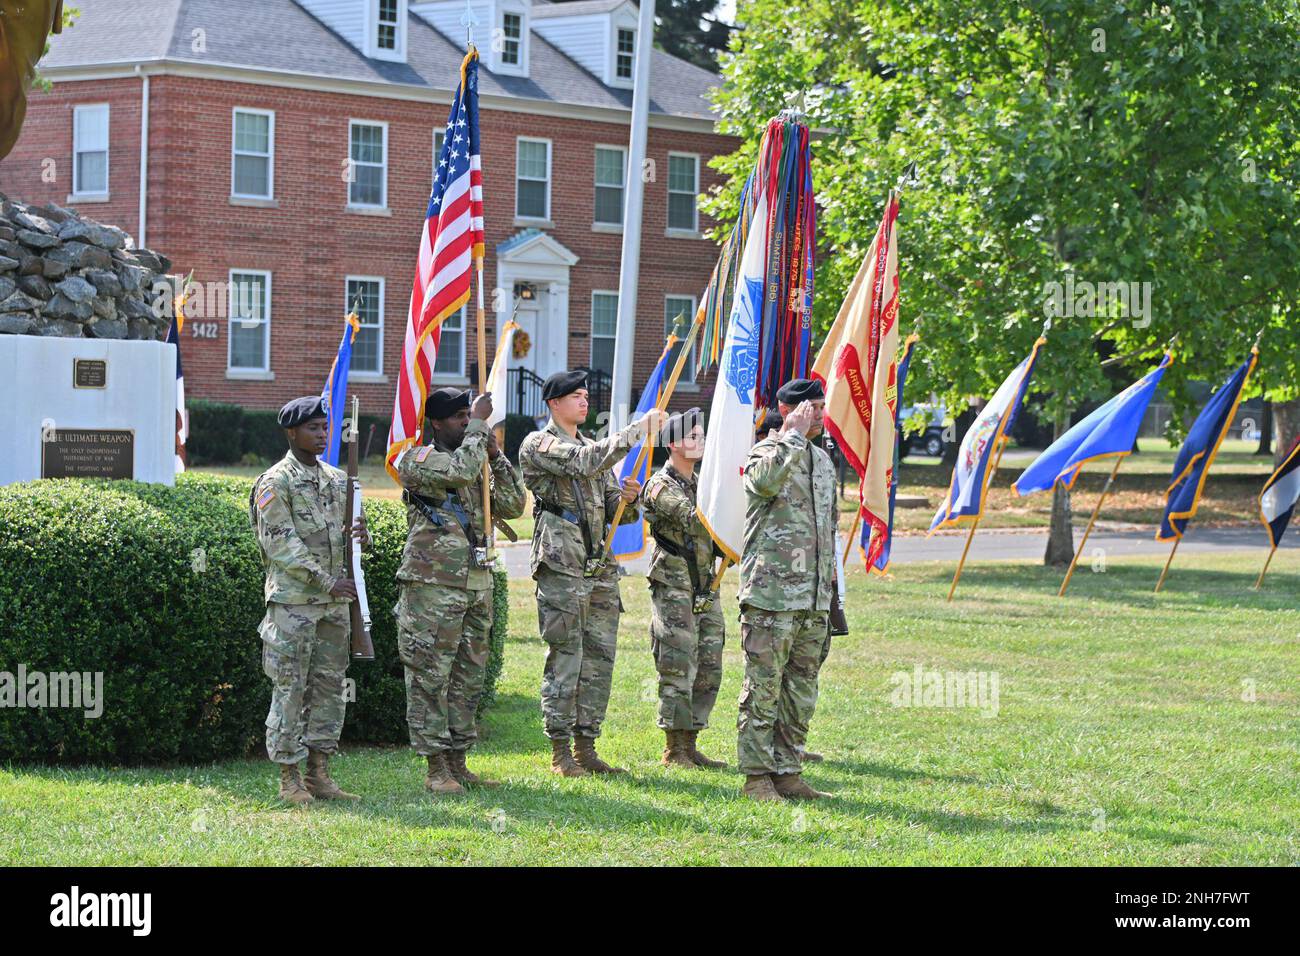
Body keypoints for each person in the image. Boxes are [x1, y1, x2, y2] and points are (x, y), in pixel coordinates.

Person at [518, 370, 667, 776]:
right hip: (562, 559)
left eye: (586, 396)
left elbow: (613, 502)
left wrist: (630, 499)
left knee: (599, 656)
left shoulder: (592, 446)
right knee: (566, 652)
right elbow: (584, 464)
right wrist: (637, 430)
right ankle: (561, 752)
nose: (584, 402)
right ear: (554, 403)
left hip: (599, 562)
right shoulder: (539, 443)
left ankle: (587, 746)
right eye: (576, 396)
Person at [395, 387, 526, 795]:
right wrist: (480, 428)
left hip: (475, 583)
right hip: (432, 586)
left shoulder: (475, 457)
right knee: (431, 675)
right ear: (437, 423)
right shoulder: (417, 459)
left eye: (470, 415)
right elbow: (457, 474)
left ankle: (458, 761)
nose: (467, 423)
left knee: (468, 678)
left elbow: (514, 504)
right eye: (460, 417)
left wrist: (495, 455)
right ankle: (436, 769)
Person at [250, 396, 370, 805]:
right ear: (291, 432)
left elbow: (349, 535)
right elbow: (282, 545)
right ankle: (290, 777)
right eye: (313, 428)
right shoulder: (275, 482)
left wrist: (361, 537)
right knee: (290, 688)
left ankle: (319, 773)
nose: (322, 434)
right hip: (295, 604)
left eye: (325, 427)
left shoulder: (339, 480)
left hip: (334, 607)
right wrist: (327, 582)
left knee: (330, 689)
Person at [736, 379, 837, 801]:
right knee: (763, 688)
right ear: (787, 409)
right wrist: (791, 435)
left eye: (820, 407)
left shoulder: (822, 460)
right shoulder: (767, 451)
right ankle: (756, 777)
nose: (817, 414)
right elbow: (761, 484)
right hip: (770, 596)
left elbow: (828, 528)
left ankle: (788, 770)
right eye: (809, 408)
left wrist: (832, 592)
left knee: (800, 689)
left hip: (812, 598)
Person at [641, 408, 726, 769]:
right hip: (674, 585)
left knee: (709, 663)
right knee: (678, 661)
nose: (701, 441)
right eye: (694, 436)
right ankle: (673, 748)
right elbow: (695, 520)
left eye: (702, 435)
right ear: (673, 443)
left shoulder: (701, 483)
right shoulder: (661, 486)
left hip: (705, 585)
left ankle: (691, 742)